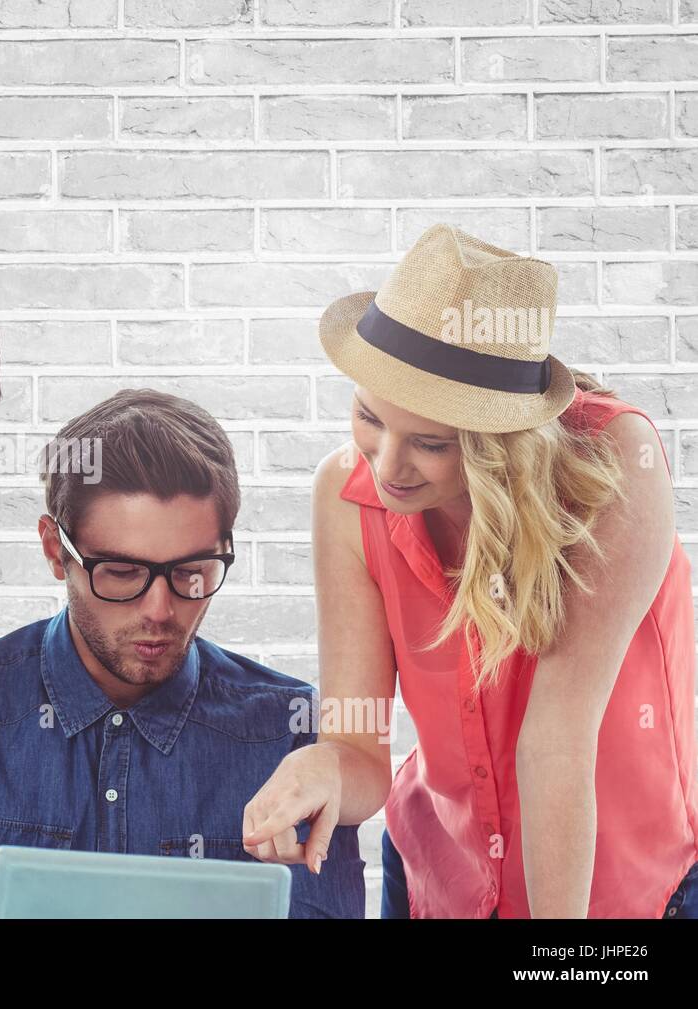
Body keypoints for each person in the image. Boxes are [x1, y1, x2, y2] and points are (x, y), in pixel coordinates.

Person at [242, 223, 698, 918]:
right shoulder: (346, 492)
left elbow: (556, 740)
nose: (386, 467)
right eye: (369, 417)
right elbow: (360, 747)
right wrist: (323, 766)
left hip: (622, 894)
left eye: (429, 443)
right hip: (441, 880)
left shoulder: (614, 466)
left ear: (499, 443)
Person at [0, 389, 366, 918]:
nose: (160, 610)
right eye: (121, 572)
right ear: (55, 550)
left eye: (192, 571)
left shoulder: (293, 732)